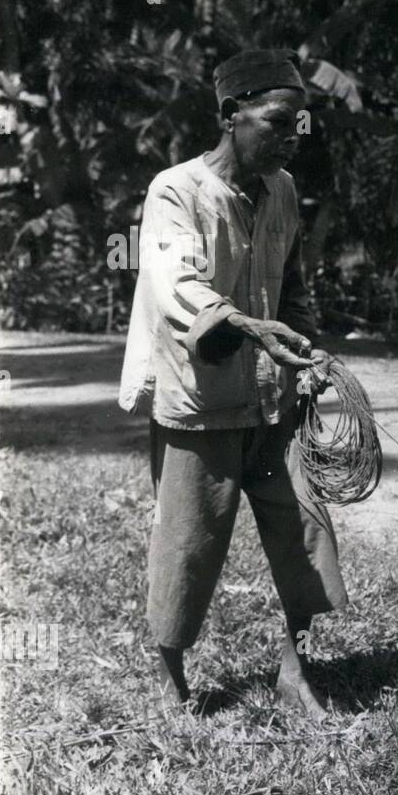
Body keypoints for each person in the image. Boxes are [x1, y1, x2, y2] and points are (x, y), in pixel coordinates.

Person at [119, 49, 347, 717]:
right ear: (230, 116)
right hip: (199, 399)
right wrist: (254, 328)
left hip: (273, 398)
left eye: (298, 126)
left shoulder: (282, 192)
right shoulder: (175, 190)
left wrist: (306, 343)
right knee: (188, 542)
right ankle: (173, 679)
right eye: (278, 123)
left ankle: (294, 667)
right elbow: (178, 288)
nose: (290, 139)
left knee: (305, 528)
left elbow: (293, 281)